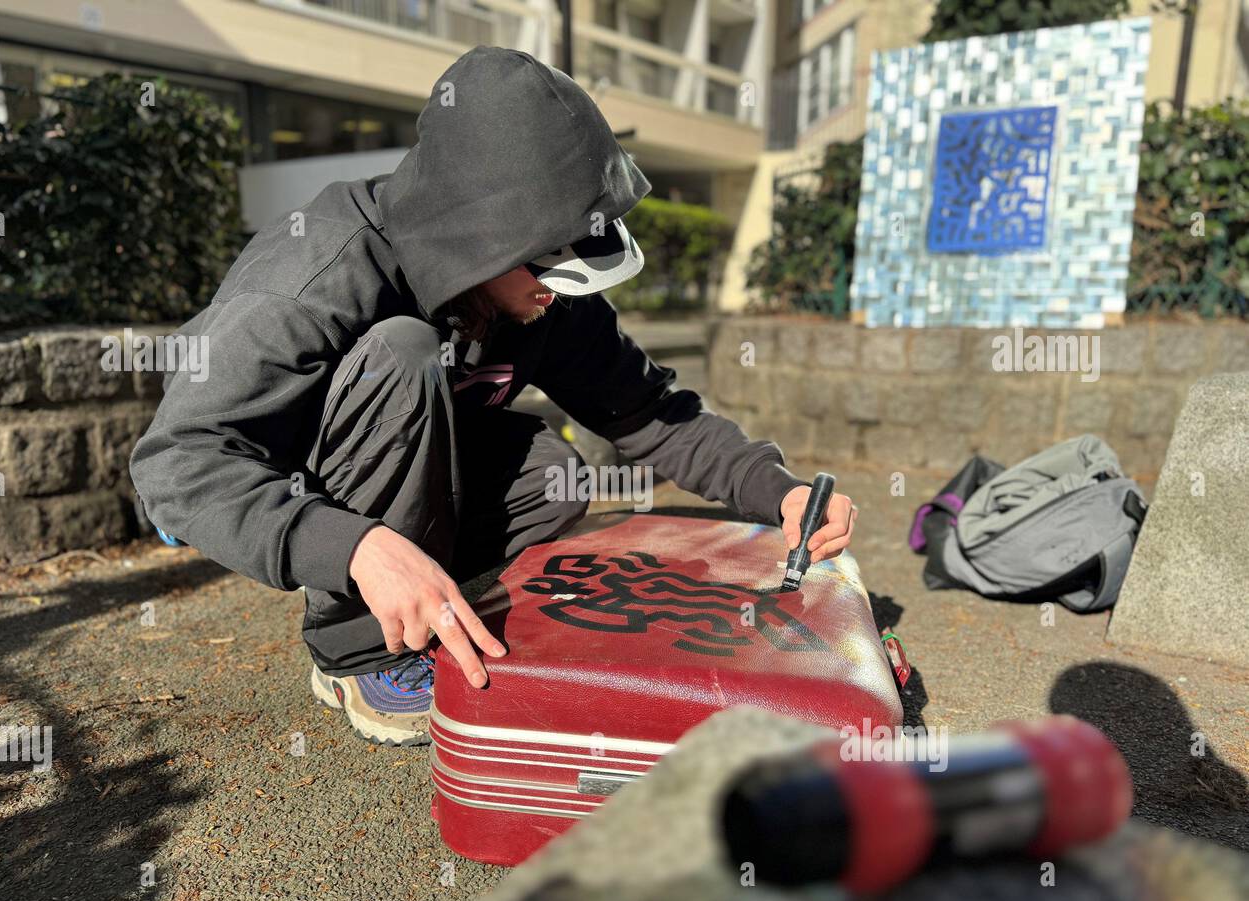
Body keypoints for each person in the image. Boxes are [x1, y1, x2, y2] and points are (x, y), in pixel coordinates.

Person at [130, 46, 856, 747]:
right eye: (546, 267)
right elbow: (174, 461)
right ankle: (356, 654)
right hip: (286, 477)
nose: (557, 290)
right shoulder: (317, 268)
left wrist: (776, 489)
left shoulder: (541, 295)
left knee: (560, 473)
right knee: (402, 352)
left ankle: (432, 591)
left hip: (394, 464)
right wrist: (354, 548)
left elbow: (648, 413)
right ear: (478, 237)